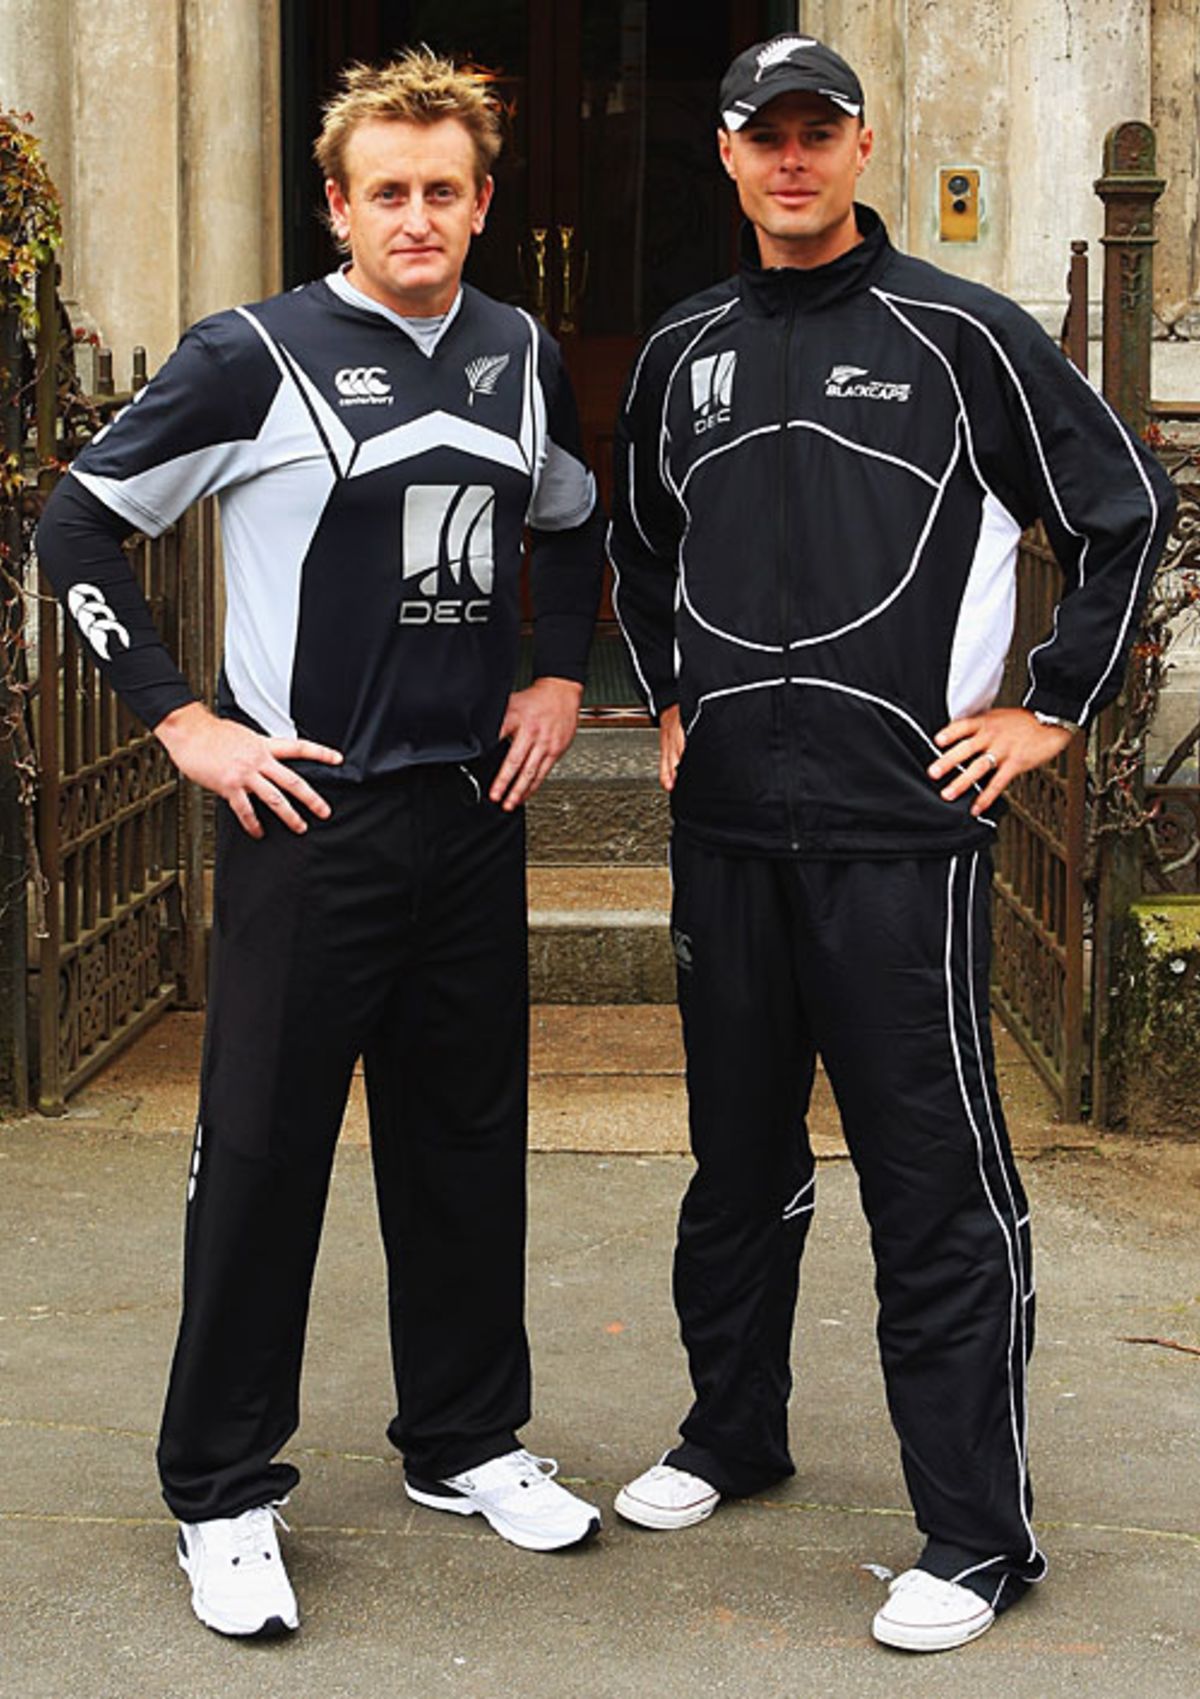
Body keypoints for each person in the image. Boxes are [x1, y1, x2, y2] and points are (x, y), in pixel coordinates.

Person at [608, 33, 1175, 1654]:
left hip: (900, 839)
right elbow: (639, 544)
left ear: (863, 149)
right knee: (736, 1165)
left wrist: (1050, 707)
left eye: (819, 132)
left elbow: (1126, 507)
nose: (791, 160)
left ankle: (978, 1535)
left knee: (933, 1189)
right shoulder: (682, 349)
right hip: (727, 828)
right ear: (730, 156)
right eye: (764, 136)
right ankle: (732, 1432)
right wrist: (671, 701)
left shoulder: (965, 336)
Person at [36, 48, 605, 1639]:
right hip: (308, 816)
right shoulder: (252, 356)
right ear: (338, 206)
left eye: (445, 191)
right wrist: (181, 720)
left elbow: (573, 520)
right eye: (388, 192)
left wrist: (561, 675)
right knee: (263, 1159)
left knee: (465, 1142)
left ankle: (465, 1439)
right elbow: (77, 522)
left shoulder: (519, 351)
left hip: (470, 811)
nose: (417, 216)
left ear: (482, 205)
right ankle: (223, 1491)